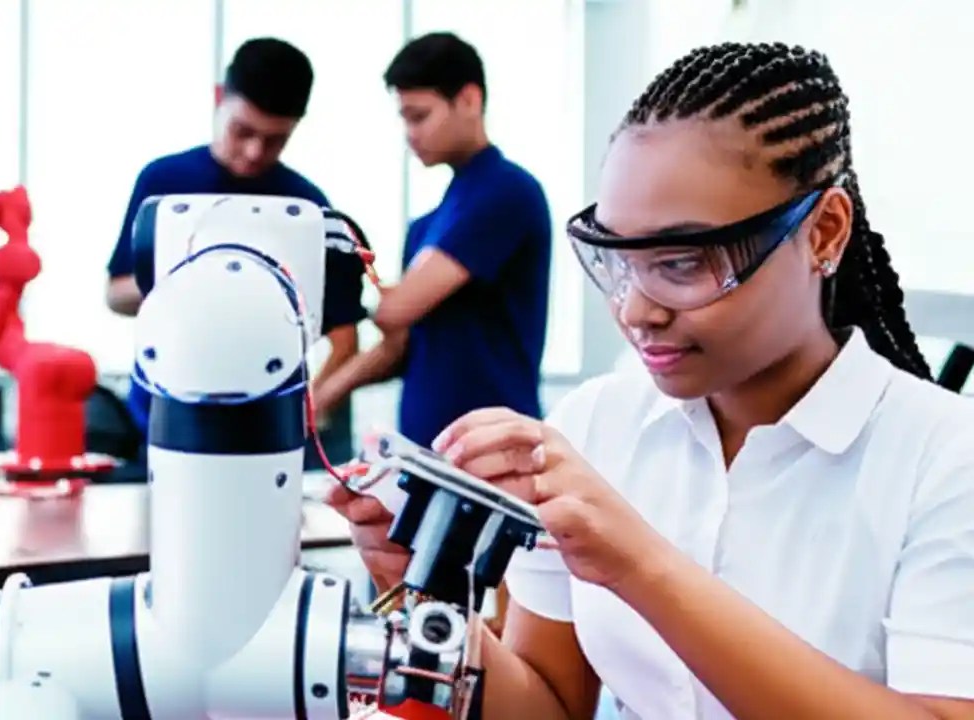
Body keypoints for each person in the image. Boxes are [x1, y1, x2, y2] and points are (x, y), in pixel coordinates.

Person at [330, 41, 974, 718]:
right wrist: (429, 596)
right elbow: (551, 703)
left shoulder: (944, 459)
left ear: (823, 233)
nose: (636, 310)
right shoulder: (595, 426)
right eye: (617, 259)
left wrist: (640, 565)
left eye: (683, 261)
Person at [105, 37, 367, 437]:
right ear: (217, 98)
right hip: (164, 413)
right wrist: (203, 279)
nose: (253, 151)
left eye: (276, 139)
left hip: (268, 423)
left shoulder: (306, 207)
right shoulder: (164, 184)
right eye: (242, 130)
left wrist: (310, 408)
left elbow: (344, 337)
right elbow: (116, 294)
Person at [312, 32, 552, 449]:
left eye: (419, 116)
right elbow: (397, 346)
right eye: (403, 118)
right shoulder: (427, 224)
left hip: (495, 453)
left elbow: (397, 309)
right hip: (428, 450)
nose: (410, 133)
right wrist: (319, 398)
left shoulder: (506, 191)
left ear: (469, 101)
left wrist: (348, 293)